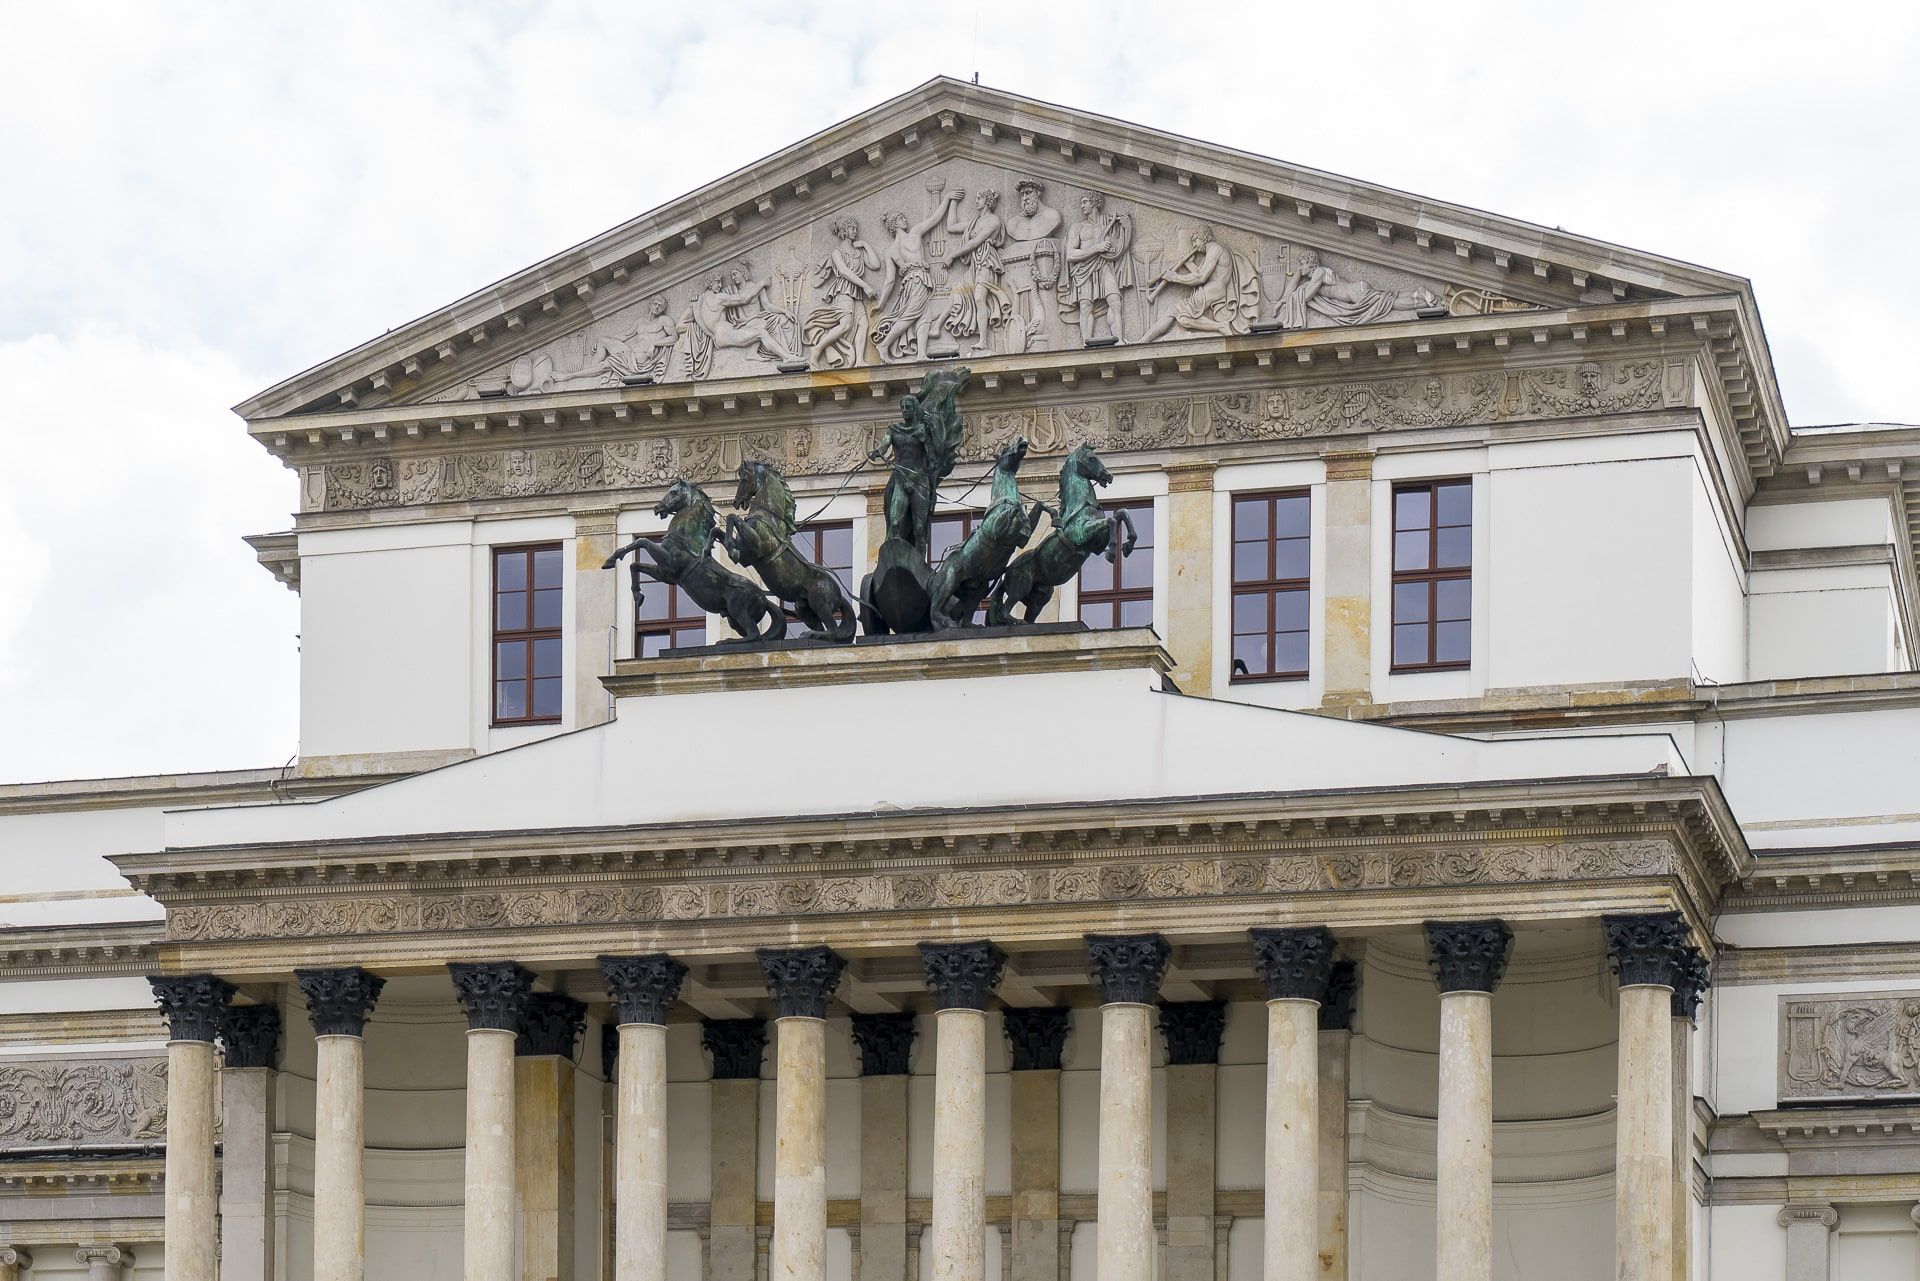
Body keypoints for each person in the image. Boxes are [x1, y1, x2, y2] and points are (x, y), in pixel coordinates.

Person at [871, 189, 964, 360]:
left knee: (924, 315)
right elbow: (935, 219)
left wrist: (882, 303)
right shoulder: (914, 234)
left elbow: (890, 281)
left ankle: (921, 353)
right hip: (918, 279)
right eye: (900, 218)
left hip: (910, 283)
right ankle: (883, 345)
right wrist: (947, 198)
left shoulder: (891, 250)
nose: (904, 219)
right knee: (911, 315)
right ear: (894, 224)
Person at [1141, 227, 1258, 341]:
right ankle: (1144, 341)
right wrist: (1190, 264)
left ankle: (1221, 326)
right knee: (1173, 310)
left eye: (1195, 240)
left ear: (1203, 238)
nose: (1194, 245)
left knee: (1183, 318)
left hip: (1213, 289)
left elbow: (1201, 278)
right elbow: (1204, 274)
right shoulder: (1214, 251)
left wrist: (1175, 277)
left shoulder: (1215, 249)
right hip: (1212, 288)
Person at [940, 190, 1011, 355]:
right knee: (957, 290)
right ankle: (937, 326)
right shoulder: (975, 221)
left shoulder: (993, 220)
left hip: (986, 261)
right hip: (974, 266)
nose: (976, 201)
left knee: (979, 298)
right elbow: (951, 226)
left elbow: (975, 242)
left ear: (987, 201)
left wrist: (952, 255)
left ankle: (983, 342)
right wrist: (952, 201)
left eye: (979, 198)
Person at [1059, 190, 1133, 344]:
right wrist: (1095, 248)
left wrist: (1127, 228)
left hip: (1105, 265)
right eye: (1081, 203)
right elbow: (1070, 254)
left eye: (1085, 202)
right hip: (1084, 269)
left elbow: (1120, 246)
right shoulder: (1077, 227)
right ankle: (1086, 343)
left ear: (1094, 203)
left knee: (1115, 300)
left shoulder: (1109, 222)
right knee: (1085, 306)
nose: (1082, 206)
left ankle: (1119, 340)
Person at [804, 218, 879, 369]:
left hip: (855, 294)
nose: (855, 231)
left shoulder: (858, 252)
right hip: (843, 292)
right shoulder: (836, 252)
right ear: (844, 231)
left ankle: (859, 361)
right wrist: (865, 286)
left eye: (855, 228)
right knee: (845, 325)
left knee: (863, 325)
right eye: (851, 228)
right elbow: (844, 272)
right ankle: (817, 349)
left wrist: (865, 245)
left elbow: (876, 265)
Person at [1000, 178, 1062, 350]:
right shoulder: (1013, 224)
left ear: (1038, 193)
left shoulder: (1052, 217)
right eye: (1022, 195)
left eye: (1028, 193)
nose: (1024, 198)